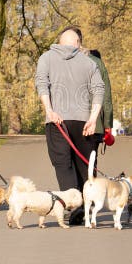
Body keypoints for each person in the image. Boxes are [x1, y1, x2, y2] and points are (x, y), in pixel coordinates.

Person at [35, 26, 105, 197]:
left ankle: (74, 204)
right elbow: (99, 90)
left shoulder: (46, 58)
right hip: (83, 122)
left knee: (62, 163)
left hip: (57, 121)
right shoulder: (89, 63)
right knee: (84, 163)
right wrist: (93, 119)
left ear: (60, 42)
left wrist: (50, 110)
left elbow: (41, 84)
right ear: (78, 43)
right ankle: (84, 205)